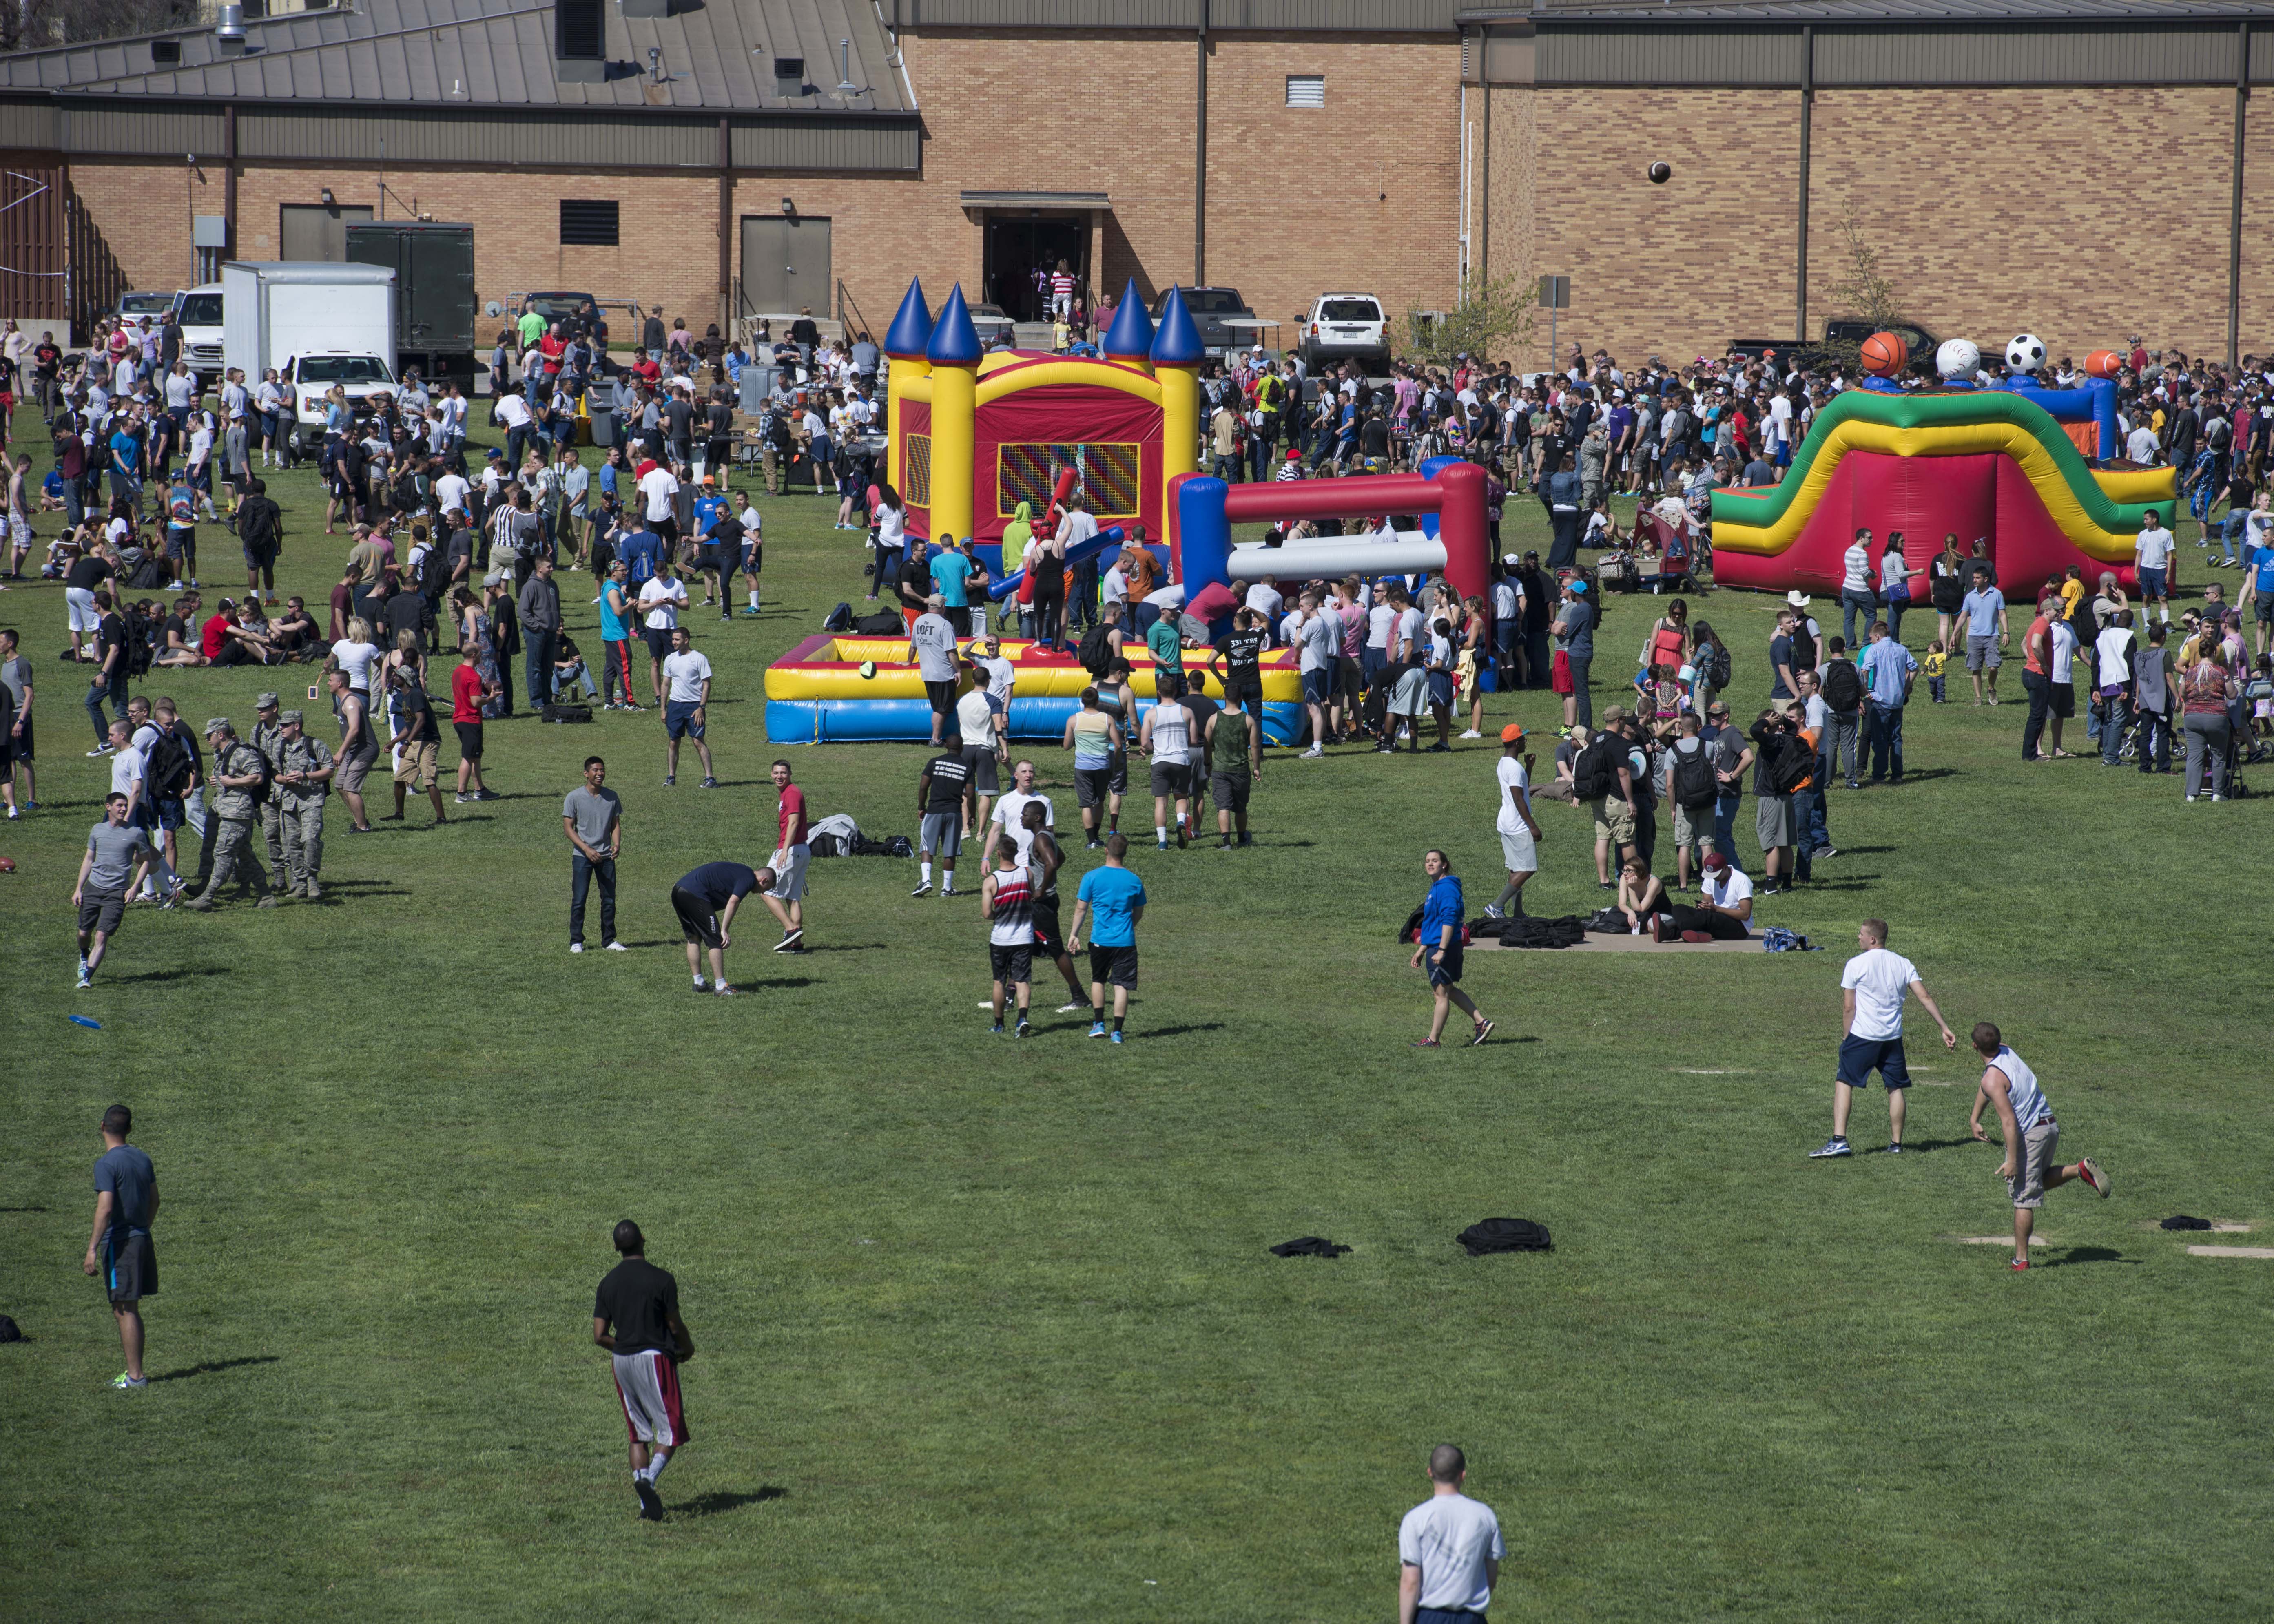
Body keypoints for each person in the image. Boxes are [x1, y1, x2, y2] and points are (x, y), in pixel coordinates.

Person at [1964, 1023, 2112, 1270]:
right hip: (2049, 1125)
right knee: (2038, 1182)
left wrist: (2012, 1160)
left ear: (1974, 1046)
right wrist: (1974, 1118)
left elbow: (2009, 1121)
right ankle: (2080, 1171)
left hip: (2030, 1134)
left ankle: (2021, 1260)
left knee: (2023, 1196)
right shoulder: (2007, 1052)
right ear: (1999, 1042)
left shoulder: (1993, 1078)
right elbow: (1987, 1085)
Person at [1811, 919, 1959, 1158]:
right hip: (1892, 1038)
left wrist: (1847, 1037)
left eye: (1861, 934)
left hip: (1863, 1035)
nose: (1858, 937)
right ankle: (1896, 1144)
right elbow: (1925, 997)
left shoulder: (1855, 965)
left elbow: (1849, 1008)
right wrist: (1944, 1027)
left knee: (1844, 1081)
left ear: (1872, 939)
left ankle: (1839, 1140)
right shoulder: (1903, 963)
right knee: (1895, 1087)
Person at [591, 1219, 695, 1520]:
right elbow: (674, 1325)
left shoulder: (607, 1283)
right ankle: (648, 1480)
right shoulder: (661, 1279)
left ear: (616, 1248)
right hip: (655, 1361)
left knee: (637, 1434)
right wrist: (686, 1349)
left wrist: (624, 1346)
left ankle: (642, 1498)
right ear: (644, 1240)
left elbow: (599, 1335)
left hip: (621, 1361)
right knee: (672, 1429)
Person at [84, 1103, 160, 1389]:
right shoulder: (142, 1158)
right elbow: (155, 1200)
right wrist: (144, 1229)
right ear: (129, 1130)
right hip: (140, 1236)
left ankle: (136, 1377)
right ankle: (133, 1374)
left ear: (102, 1127)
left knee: (125, 1308)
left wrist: (92, 1248)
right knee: (127, 1306)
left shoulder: (107, 1164)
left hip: (120, 1242)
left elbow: (105, 1209)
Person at [1397, 1444, 1503, 1624]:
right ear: (1463, 1475)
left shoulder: (1415, 1519)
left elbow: (1410, 1583)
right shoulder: (1485, 1516)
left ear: (1430, 1472)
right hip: (1472, 1618)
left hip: (1429, 1618)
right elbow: (1491, 1577)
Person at [185, 718, 279, 909]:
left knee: (223, 853)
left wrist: (231, 782)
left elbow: (258, 777)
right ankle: (266, 896)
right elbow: (229, 777)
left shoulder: (241, 753)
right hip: (225, 810)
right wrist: (219, 781)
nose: (207, 740)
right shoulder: (221, 754)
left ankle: (208, 897)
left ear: (221, 734)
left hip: (238, 813)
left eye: (209, 736)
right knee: (245, 856)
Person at [1068, 832, 1146, 1043]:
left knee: (1098, 980)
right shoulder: (1134, 880)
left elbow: (1081, 909)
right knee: (1121, 985)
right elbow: (1138, 913)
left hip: (1099, 940)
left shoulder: (1092, 877)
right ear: (1126, 854)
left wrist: (1074, 935)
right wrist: (1130, 927)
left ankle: (1098, 1024)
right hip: (1126, 942)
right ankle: (1118, 1032)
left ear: (1106, 851)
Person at [1410, 848, 1492, 1049]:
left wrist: (1442, 950)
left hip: (1443, 948)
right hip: (1439, 946)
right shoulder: (1438, 887)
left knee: (1441, 995)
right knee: (1449, 990)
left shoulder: (1446, 888)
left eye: (1435, 861)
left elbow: (1449, 919)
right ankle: (1482, 1023)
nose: (1430, 864)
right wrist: (1422, 950)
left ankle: (1433, 1041)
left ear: (1444, 865)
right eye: (1427, 861)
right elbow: (1434, 924)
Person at [73, 790, 155, 986]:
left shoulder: (136, 833)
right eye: (120, 805)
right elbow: (89, 859)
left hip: (117, 892)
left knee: (102, 935)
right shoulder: (97, 830)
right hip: (94, 887)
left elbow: (146, 862)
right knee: (84, 933)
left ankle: (86, 979)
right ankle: (85, 954)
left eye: (125, 805)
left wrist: (136, 887)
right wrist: (79, 889)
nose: (124, 809)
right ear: (108, 807)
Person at [669, 858, 774, 994]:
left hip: (679, 890)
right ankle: (721, 986)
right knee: (715, 940)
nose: (763, 892)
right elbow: (734, 901)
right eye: (767, 888)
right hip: (695, 893)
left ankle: (699, 983)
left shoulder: (741, 871)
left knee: (694, 937)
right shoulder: (749, 878)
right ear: (764, 880)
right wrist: (724, 930)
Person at [270, 709, 334, 901]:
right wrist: (285, 780)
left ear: (296, 726)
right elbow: (275, 773)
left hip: (312, 800)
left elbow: (329, 771)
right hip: (289, 801)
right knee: (293, 844)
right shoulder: (279, 747)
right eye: (280, 725)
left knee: (311, 840)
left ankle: (312, 879)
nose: (280, 728)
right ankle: (300, 883)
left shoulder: (315, 745)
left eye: (285, 725)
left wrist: (305, 776)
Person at [565, 754, 625, 953]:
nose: (600, 774)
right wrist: (586, 849)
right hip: (583, 857)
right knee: (579, 900)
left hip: (606, 857)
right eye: (595, 770)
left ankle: (609, 940)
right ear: (586, 774)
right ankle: (576, 941)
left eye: (602, 770)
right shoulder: (574, 797)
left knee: (609, 900)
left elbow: (615, 824)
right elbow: (568, 828)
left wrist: (617, 843)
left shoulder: (612, 796)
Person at [981, 836, 1037, 1037]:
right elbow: (1032, 897)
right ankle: (1022, 1018)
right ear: (1016, 853)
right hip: (1024, 937)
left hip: (1000, 939)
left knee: (999, 981)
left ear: (998, 853)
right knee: (1022, 980)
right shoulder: (1027, 874)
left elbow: (987, 913)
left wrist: (1001, 915)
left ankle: (999, 1024)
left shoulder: (991, 881)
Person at [1489, 723, 1542, 918]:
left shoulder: (1504, 763)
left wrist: (1529, 768)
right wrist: (1533, 827)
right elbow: (1519, 800)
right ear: (1517, 743)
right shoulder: (1514, 768)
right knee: (1528, 869)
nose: (1526, 741)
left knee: (1516, 870)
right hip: (1517, 825)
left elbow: (1520, 788)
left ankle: (1518, 913)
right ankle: (1497, 905)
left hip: (1506, 822)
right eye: (1523, 739)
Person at [1061, 686, 1125, 849]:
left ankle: (1091, 841)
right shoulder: (1107, 719)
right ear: (1098, 701)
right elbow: (1118, 745)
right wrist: (1115, 762)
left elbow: (1067, 746)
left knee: (1086, 804)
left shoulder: (1074, 720)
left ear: (1083, 701)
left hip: (1083, 766)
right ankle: (1096, 836)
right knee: (1100, 801)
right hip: (1103, 765)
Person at [1139, 673, 1196, 850]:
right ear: (1177, 691)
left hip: (1160, 760)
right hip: (1181, 760)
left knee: (1161, 802)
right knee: (1181, 796)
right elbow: (1193, 740)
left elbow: (1144, 742)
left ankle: (1163, 841)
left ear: (1158, 692)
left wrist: (1154, 749)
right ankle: (1180, 821)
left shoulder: (1151, 714)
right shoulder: (1186, 712)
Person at [913, 732, 973, 897]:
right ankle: (947, 888)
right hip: (954, 813)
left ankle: (926, 880)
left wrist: (921, 807)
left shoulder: (934, 762)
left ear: (946, 745)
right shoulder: (967, 768)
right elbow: (971, 795)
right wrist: (972, 816)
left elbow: (923, 787)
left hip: (934, 811)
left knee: (927, 846)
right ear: (962, 748)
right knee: (950, 851)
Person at [659, 625, 716, 789]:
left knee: (698, 741)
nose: (674, 642)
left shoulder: (699, 658)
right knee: (673, 742)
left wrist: (702, 707)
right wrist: (664, 709)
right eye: (673, 639)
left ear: (686, 640)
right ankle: (671, 777)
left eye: (677, 640)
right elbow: (665, 684)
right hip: (675, 706)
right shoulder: (670, 659)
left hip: (694, 707)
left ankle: (710, 778)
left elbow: (707, 684)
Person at [763, 759, 809, 951]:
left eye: (783, 773)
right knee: (793, 896)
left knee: (765, 890)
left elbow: (794, 823)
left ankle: (791, 931)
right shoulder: (788, 794)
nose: (779, 776)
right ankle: (796, 944)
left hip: (791, 850)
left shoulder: (792, 793)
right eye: (776, 773)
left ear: (790, 774)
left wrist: (784, 851)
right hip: (801, 850)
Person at [1204, 690, 1260, 848]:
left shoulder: (1214, 719)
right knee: (1240, 808)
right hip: (1241, 770)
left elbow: (1207, 744)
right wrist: (1257, 768)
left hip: (1220, 769)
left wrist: (1207, 763)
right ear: (1241, 698)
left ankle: (1226, 843)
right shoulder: (1248, 720)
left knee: (1223, 807)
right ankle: (1242, 838)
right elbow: (1254, 746)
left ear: (1224, 697)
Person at [909, 594, 959, 746]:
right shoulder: (945, 625)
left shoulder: (919, 621)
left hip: (927, 672)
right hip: (943, 673)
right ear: (943, 607)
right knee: (941, 709)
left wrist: (909, 662)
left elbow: (913, 646)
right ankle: (935, 740)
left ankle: (935, 738)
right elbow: (951, 651)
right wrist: (958, 670)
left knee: (938, 707)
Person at [2134, 508, 2175, 624]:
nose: (2145, 522)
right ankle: (2147, 624)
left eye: (2147, 519)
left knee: (2163, 598)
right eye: (2144, 519)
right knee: (2146, 597)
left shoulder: (2166, 534)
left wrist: (2168, 572)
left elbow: (2169, 554)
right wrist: (2136, 571)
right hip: (2145, 570)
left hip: (2160, 570)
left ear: (2154, 520)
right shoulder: (2143, 534)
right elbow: (2139, 554)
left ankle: (2166, 624)